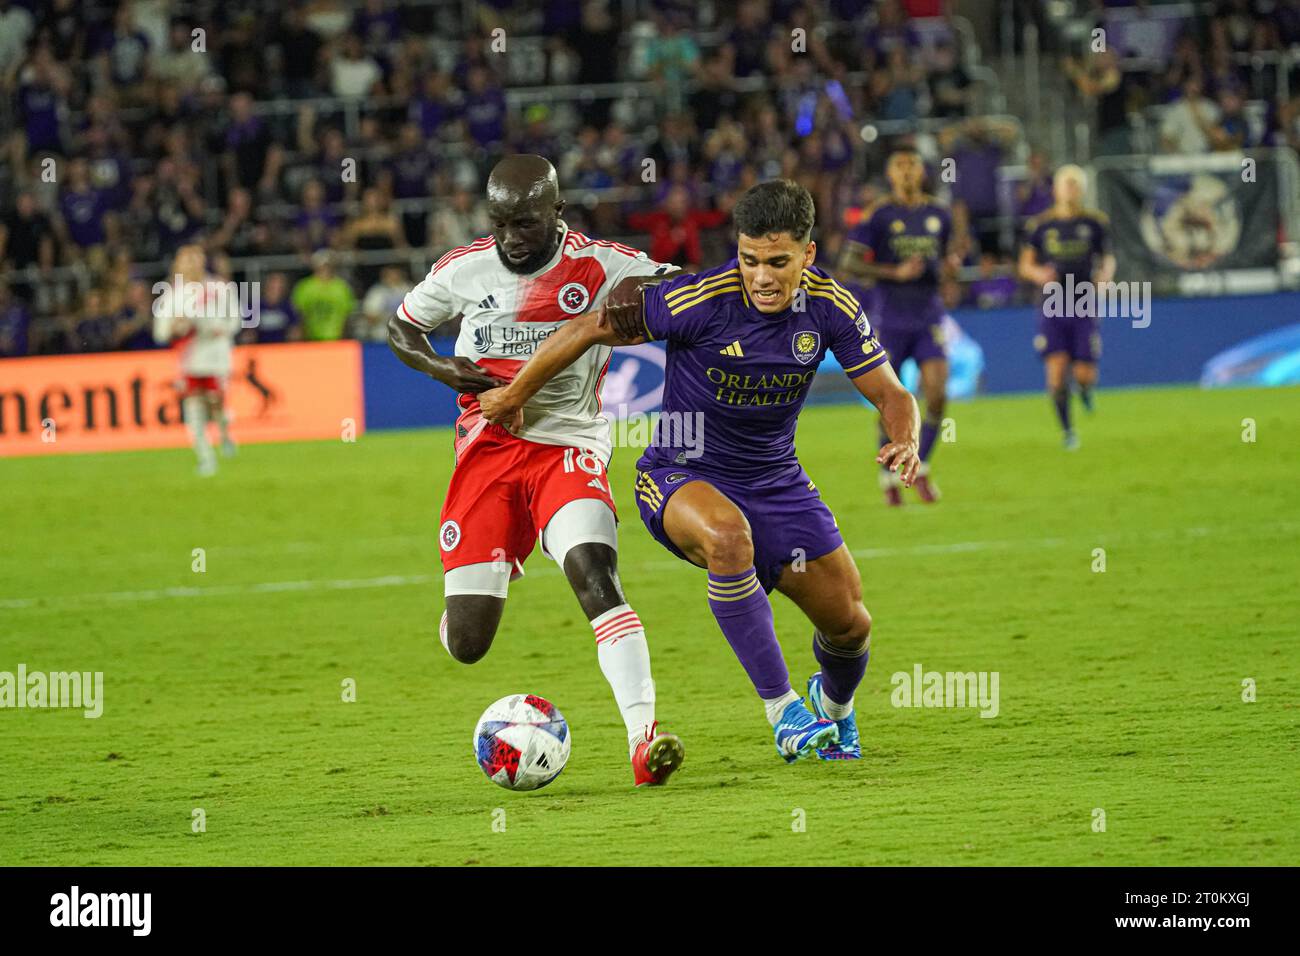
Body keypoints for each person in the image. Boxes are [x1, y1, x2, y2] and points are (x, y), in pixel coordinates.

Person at [478, 179, 922, 763]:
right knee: (728, 537)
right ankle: (783, 710)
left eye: (778, 263)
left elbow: (891, 393)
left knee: (851, 626)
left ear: (808, 256)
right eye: (750, 260)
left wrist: (906, 437)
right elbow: (588, 327)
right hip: (679, 474)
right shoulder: (698, 298)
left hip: (776, 481)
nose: (762, 277)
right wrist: (514, 396)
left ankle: (833, 709)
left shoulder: (832, 308)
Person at [386, 154, 684, 787]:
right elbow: (401, 327)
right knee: (469, 644)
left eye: (524, 223)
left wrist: (650, 293)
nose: (510, 238)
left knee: (594, 575)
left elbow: (690, 289)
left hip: (568, 446)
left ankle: (643, 739)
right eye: (499, 223)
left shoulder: (602, 265)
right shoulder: (465, 269)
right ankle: (482, 575)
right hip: (487, 451)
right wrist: (444, 369)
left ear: (557, 211)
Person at [837, 147, 957, 505]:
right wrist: (894, 272)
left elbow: (949, 256)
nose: (906, 171)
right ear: (890, 174)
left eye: (912, 164)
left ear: (921, 171)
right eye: (899, 165)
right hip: (890, 317)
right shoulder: (878, 215)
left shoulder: (939, 214)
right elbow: (849, 263)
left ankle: (920, 468)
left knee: (936, 394)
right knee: (889, 399)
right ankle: (887, 473)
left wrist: (949, 270)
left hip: (929, 316)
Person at [1018, 165, 1114, 450]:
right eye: (1066, 184)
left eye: (1075, 184)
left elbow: (1108, 258)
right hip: (1052, 303)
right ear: (1056, 189)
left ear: (1081, 190)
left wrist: (1105, 278)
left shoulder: (1095, 223)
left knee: (1084, 373)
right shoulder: (1041, 226)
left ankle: (1085, 391)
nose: (1070, 189)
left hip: (1083, 299)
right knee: (1057, 370)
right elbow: (1025, 264)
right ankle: (1068, 431)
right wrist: (1039, 275)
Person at [153, 244, 241, 476]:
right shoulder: (173, 295)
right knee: (193, 405)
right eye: (186, 260)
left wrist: (219, 328)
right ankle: (205, 457)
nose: (191, 265)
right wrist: (176, 327)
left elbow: (235, 320)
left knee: (216, 402)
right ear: (178, 264)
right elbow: (161, 332)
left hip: (216, 355)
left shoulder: (219, 288)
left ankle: (224, 434)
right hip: (190, 357)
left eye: (195, 260)